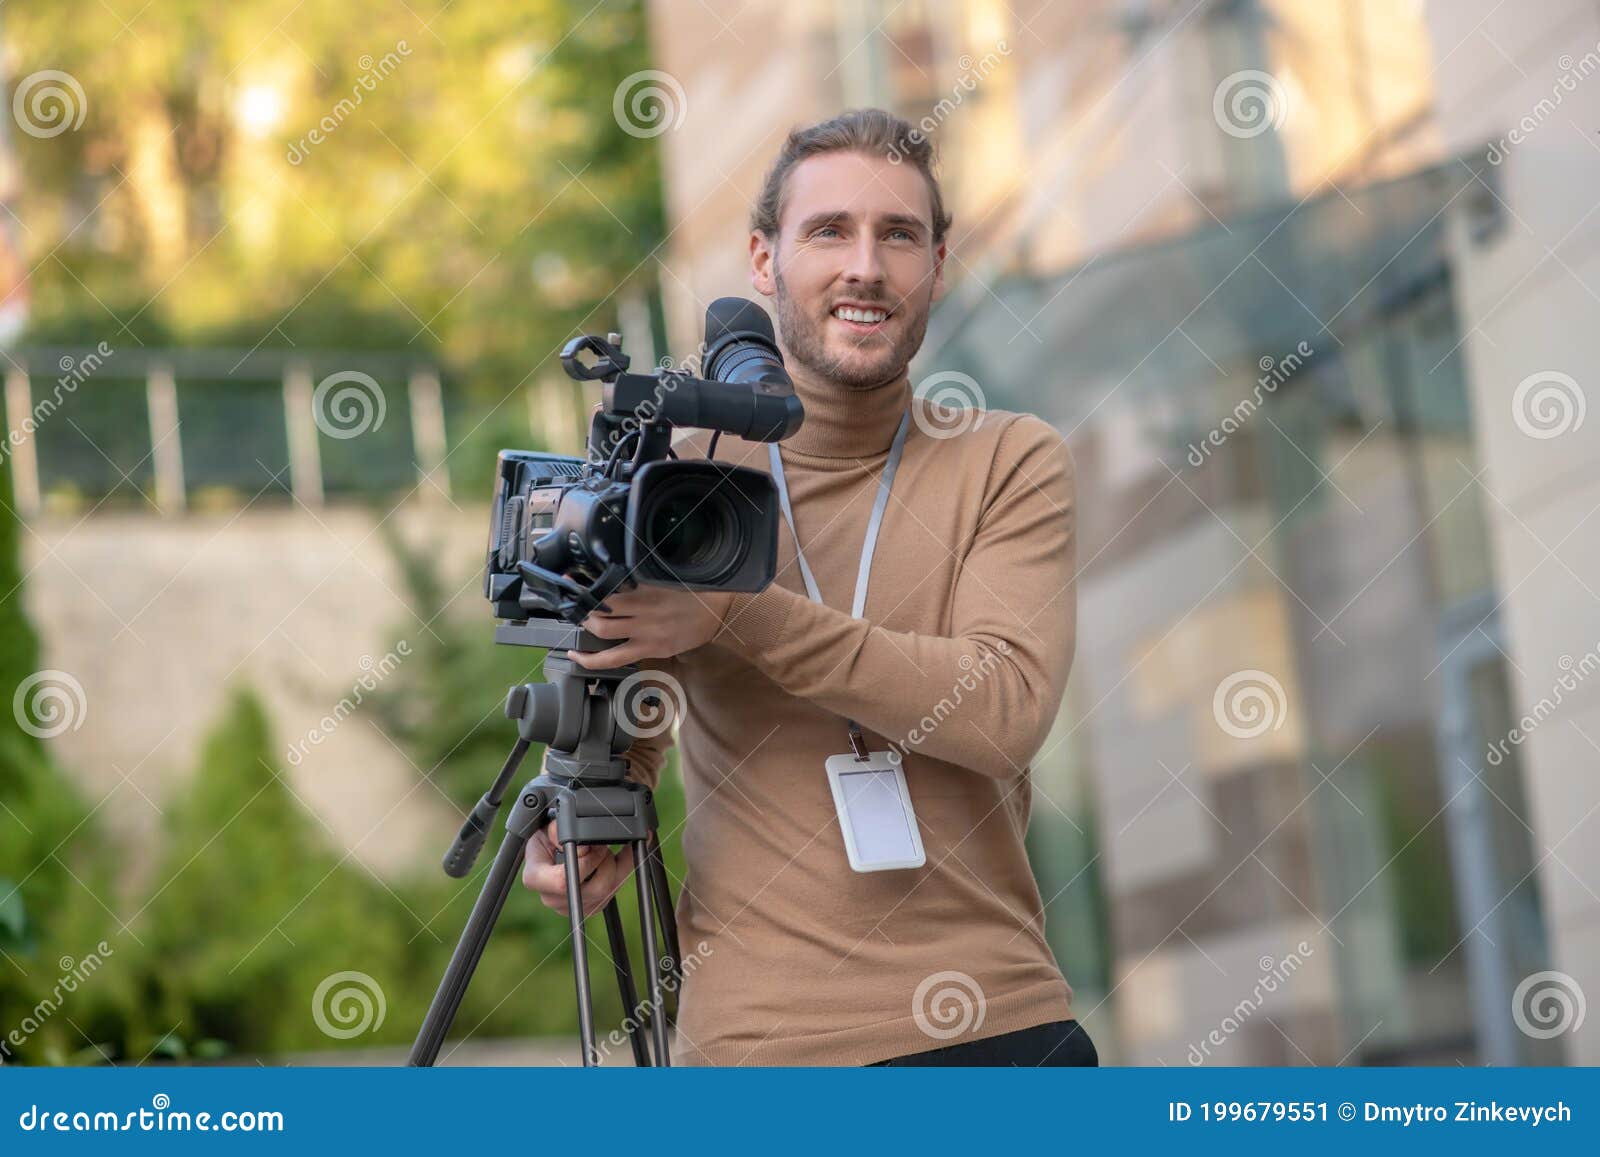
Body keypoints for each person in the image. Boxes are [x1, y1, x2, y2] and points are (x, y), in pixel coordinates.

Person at [521, 107, 1093, 1068]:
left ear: (937, 266)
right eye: (829, 231)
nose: (865, 266)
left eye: (897, 235)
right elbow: (633, 729)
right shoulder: (679, 476)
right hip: (755, 1048)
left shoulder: (1009, 459)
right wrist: (581, 827)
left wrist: (737, 610)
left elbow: (1004, 711)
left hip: (994, 1029)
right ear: (764, 260)